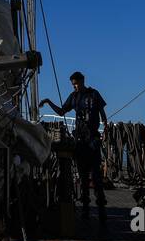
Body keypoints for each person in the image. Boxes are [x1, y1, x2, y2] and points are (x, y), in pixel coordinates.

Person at [41, 71, 108, 223]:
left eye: (77, 84)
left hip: (92, 139)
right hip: (80, 141)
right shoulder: (74, 97)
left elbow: (102, 113)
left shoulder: (94, 94)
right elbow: (61, 111)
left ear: (83, 81)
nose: (75, 86)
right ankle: (85, 212)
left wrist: (106, 129)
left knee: (97, 177)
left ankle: (102, 212)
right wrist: (48, 101)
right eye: (73, 85)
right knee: (83, 178)